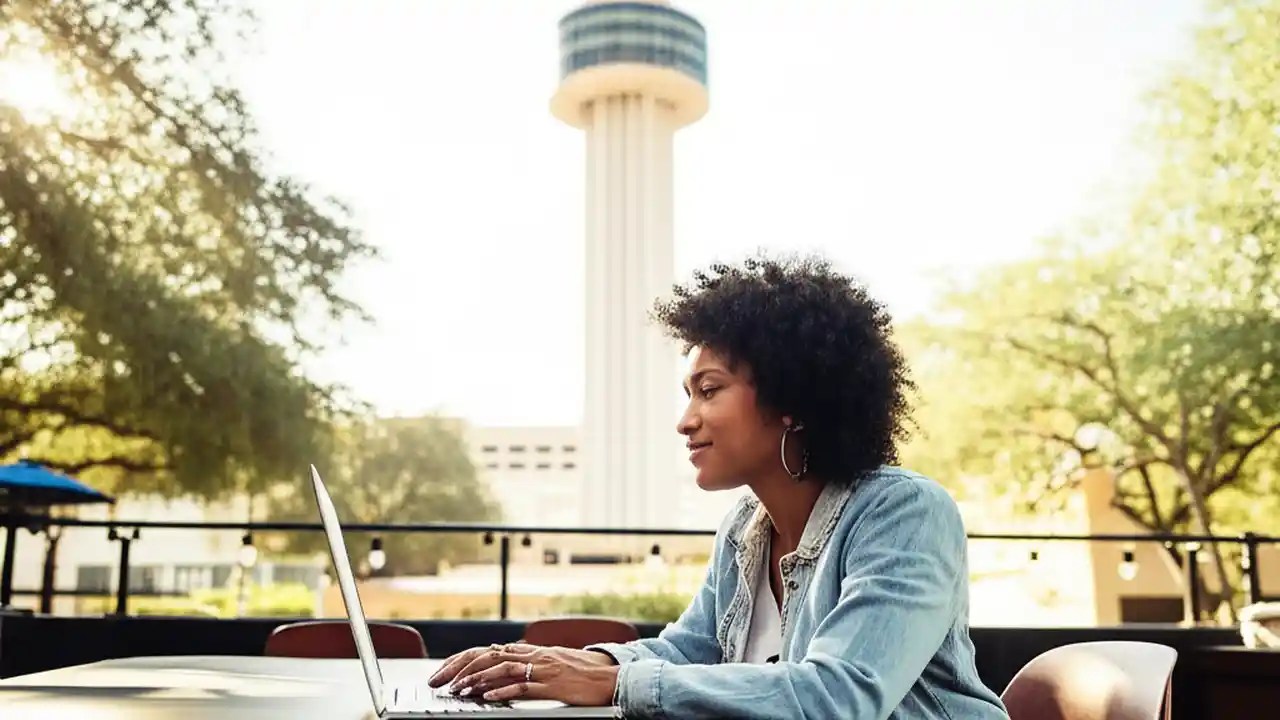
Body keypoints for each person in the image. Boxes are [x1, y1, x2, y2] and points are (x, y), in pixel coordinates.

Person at [429, 254, 1010, 719]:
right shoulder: (745, 527)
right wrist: (558, 665)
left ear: (791, 400)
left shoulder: (904, 513)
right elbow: (690, 650)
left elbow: (840, 697)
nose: (686, 421)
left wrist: (616, 683)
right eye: (689, 395)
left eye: (709, 391)